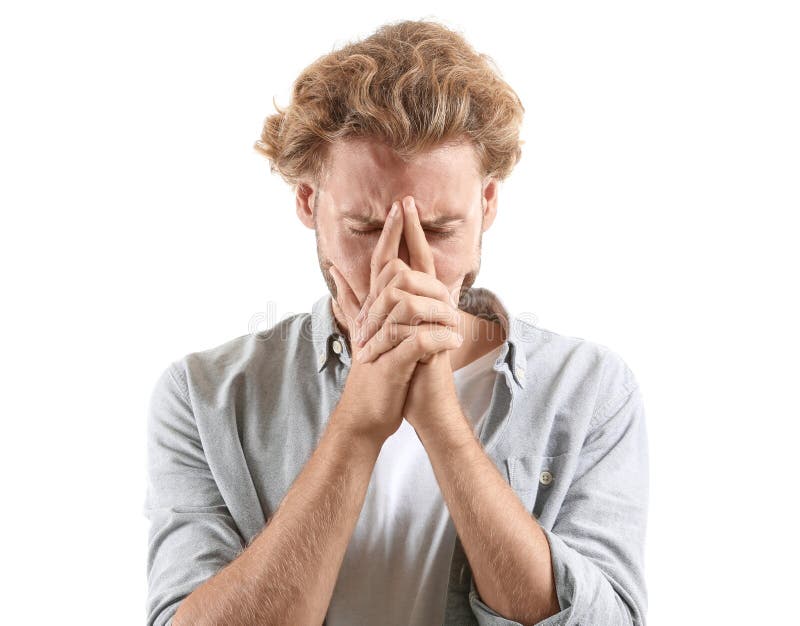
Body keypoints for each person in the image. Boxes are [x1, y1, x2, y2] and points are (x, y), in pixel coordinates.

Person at [143, 18, 649, 626]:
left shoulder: (590, 390)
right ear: (308, 201)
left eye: (438, 230)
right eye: (364, 229)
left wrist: (444, 427)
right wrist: (357, 426)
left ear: (488, 202)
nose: (406, 267)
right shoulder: (204, 397)